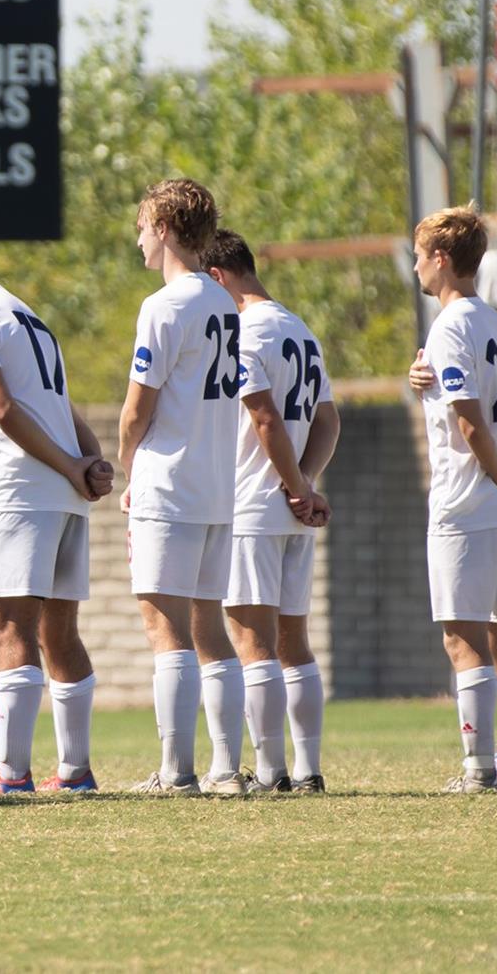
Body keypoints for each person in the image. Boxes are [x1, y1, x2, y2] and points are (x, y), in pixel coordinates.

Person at [0, 246, 113, 795]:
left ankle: (11, 776)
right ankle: (76, 773)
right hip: (64, 494)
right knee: (60, 633)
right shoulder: (24, 312)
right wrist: (89, 461)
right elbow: (62, 404)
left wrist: (73, 463)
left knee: (10, 627)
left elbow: (3, 407)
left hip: (21, 490)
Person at [404, 205, 497, 793]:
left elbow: (468, 421)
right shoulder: (489, 318)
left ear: (440, 260)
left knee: (461, 637)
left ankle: (478, 770)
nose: (415, 267)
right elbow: (460, 398)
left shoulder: (451, 325)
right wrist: (425, 382)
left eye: (418, 256)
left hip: (468, 500)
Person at [115, 178, 246, 796]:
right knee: (209, 627)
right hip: (219, 486)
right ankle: (225, 767)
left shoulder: (164, 305)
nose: (138, 239)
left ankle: (177, 771)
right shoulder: (223, 301)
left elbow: (138, 408)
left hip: (169, 485)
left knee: (164, 627)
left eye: (143, 226)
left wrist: (123, 465)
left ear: (165, 228)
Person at [203, 229, 341, 793]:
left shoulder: (244, 332)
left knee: (253, 642)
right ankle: (308, 769)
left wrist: (292, 485)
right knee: (294, 641)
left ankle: (269, 771)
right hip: (290, 510)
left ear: (217, 278)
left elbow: (263, 419)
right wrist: (305, 483)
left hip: (254, 505)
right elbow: (329, 420)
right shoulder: (300, 329)